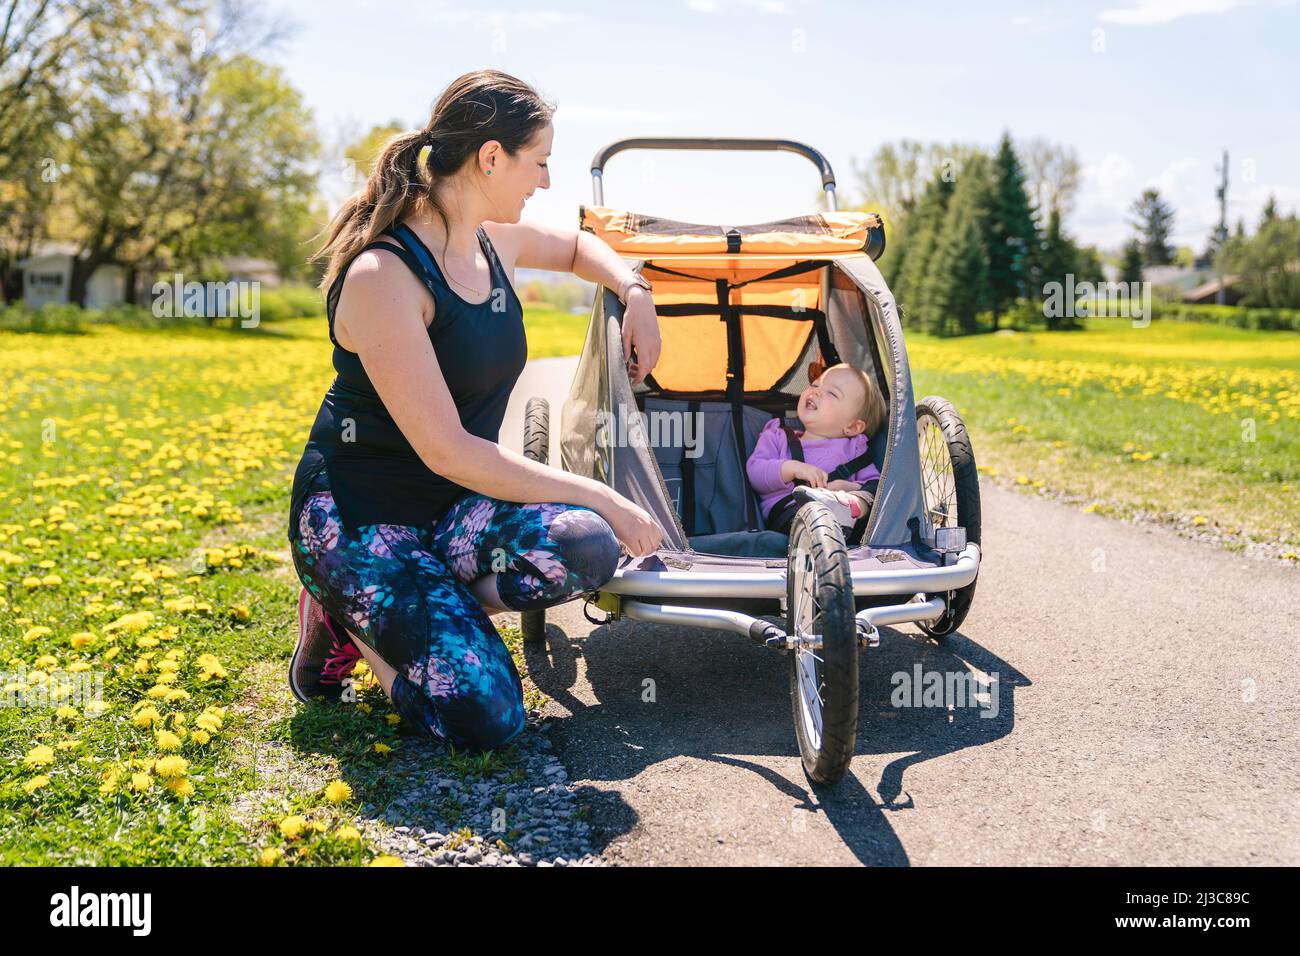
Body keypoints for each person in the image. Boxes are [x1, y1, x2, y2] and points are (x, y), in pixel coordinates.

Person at [287, 69, 664, 751]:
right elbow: (448, 451)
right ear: (491, 157)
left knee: (587, 545)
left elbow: (580, 248)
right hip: (361, 514)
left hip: (452, 510)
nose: (546, 182)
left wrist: (635, 290)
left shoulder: (498, 243)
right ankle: (347, 614)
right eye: (540, 162)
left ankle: (400, 610)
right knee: (487, 716)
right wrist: (602, 491)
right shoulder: (385, 277)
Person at [745, 362, 887, 539]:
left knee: (873, 496)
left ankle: (849, 508)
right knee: (810, 516)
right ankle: (829, 517)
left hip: (845, 516)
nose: (816, 391)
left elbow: (875, 485)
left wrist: (849, 488)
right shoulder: (777, 436)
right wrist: (792, 468)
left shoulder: (855, 448)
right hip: (791, 516)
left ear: (852, 427)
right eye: (815, 384)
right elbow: (755, 474)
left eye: (832, 393)